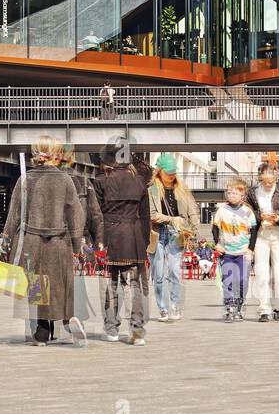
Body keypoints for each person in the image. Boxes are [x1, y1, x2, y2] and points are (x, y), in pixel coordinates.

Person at [0, 136, 86, 347]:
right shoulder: (65, 180)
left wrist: (6, 238)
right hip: (59, 242)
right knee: (61, 286)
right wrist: (77, 245)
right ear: (56, 154)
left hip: (31, 242)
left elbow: (14, 214)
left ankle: (41, 332)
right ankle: (67, 319)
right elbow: (76, 214)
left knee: (37, 287)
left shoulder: (25, 180)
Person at [93, 140, 151, 346]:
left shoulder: (100, 181)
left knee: (110, 285)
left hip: (109, 236)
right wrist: (143, 241)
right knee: (134, 285)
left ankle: (111, 328)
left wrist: (97, 240)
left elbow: (96, 215)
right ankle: (137, 330)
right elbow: (145, 217)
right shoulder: (139, 182)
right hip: (133, 236)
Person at [147, 153, 201, 322]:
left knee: (175, 271)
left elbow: (193, 211)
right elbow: (152, 214)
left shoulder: (182, 189)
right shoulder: (152, 190)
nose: (172, 175)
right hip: (157, 234)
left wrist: (193, 231)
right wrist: (172, 219)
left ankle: (176, 305)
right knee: (158, 273)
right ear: (159, 171)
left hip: (177, 234)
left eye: (173, 172)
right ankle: (163, 308)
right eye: (168, 172)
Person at [247, 163, 279, 322]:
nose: (269, 184)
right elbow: (247, 211)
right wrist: (259, 216)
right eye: (266, 181)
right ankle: (264, 309)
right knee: (261, 271)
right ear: (260, 178)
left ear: (276, 176)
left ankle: (277, 307)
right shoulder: (252, 192)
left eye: (272, 181)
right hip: (261, 233)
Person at [212, 177, 258, 322]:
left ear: (242, 196)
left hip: (243, 252)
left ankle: (239, 305)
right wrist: (217, 244)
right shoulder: (221, 210)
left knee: (243, 280)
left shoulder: (247, 212)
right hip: (227, 252)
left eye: (235, 193)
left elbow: (254, 230)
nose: (231, 195)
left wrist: (250, 249)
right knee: (228, 280)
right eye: (229, 193)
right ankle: (229, 308)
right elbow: (215, 228)